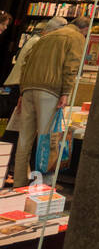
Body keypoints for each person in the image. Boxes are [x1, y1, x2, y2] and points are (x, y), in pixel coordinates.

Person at [13, 12, 90, 187]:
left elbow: (26, 63)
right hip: (50, 92)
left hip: (29, 90)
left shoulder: (47, 36)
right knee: (47, 139)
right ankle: (43, 186)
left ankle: (19, 183)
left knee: (24, 139)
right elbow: (71, 65)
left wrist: (22, 92)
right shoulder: (76, 37)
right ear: (84, 29)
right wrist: (66, 92)